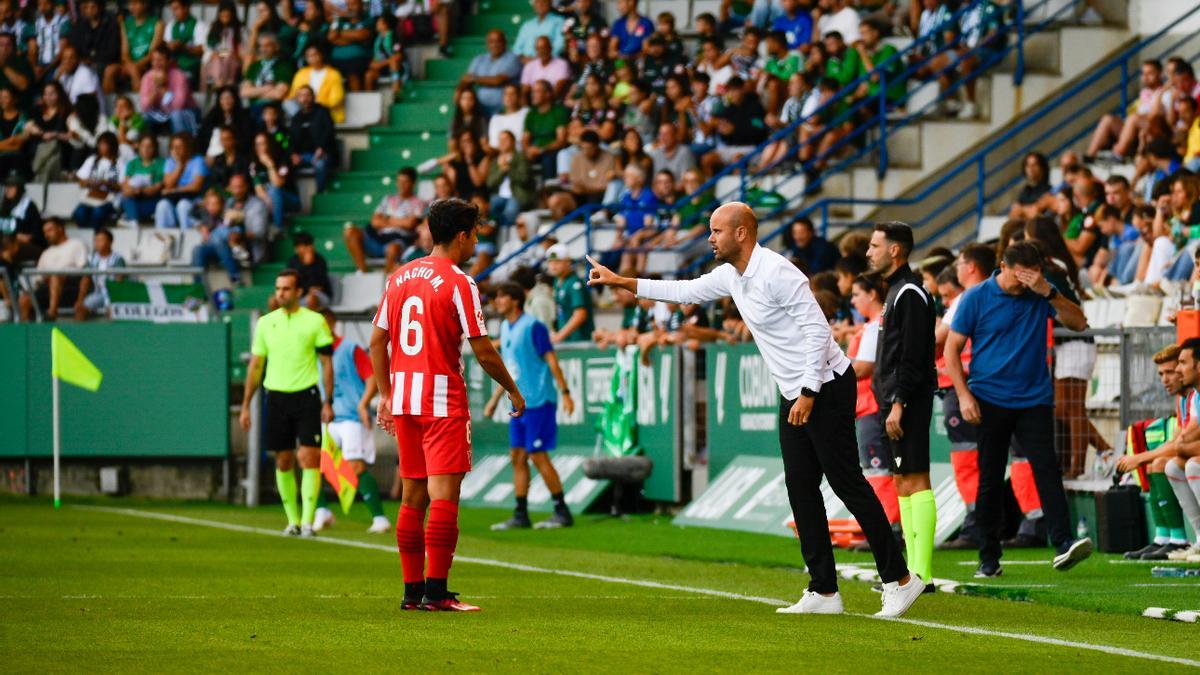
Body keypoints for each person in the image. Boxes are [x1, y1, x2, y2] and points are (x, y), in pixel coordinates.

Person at [586, 202, 923, 617]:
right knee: (800, 487)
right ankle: (824, 591)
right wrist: (622, 281)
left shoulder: (778, 272)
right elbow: (685, 291)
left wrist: (808, 392)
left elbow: (819, 333)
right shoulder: (730, 274)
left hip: (825, 385)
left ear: (742, 232)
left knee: (846, 483)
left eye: (716, 231)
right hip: (797, 391)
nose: (710, 238)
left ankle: (900, 580)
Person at [369, 197, 526, 612]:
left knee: (411, 497)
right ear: (462, 235)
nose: (476, 242)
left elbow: (376, 341)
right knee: (443, 497)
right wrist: (511, 388)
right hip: (440, 399)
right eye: (475, 234)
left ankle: (411, 592)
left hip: (403, 397)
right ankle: (437, 593)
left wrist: (386, 394)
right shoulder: (460, 282)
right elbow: (483, 350)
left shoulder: (400, 276)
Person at [944, 240, 1094, 577]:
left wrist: (1050, 293)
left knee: (1047, 469)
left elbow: (1079, 323)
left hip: (1034, 399)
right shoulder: (977, 297)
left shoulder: (1041, 295)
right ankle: (988, 557)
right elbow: (952, 349)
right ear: (1005, 267)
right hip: (989, 399)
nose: (1026, 281)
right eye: (1021, 275)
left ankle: (1064, 543)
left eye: (1034, 274)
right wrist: (964, 396)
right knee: (990, 479)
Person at [865, 222, 937, 591]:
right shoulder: (896, 291)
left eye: (875, 245)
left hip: (906, 401)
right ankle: (912, 572)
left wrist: (899, 402)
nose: (869, 252)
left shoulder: (909, 292)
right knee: (901, 481)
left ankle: (921, 574)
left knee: (915, 477)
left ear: (895, 250)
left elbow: (911, 355)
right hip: (894, 400)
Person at [240, 269, 335, 537]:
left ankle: (307, 521)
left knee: (309, 457)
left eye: (286, 288)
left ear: (299, 292)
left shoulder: (315, 322)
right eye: (278, 288)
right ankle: (292, 521)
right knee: (283, 460)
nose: (280, 293)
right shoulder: (265, 323)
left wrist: (328, 401)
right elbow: (256, 365)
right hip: (276, 397)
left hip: (306, 396)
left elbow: (327, 364)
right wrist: (246, 404)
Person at [484, 282, 577, 530]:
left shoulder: (533, 326)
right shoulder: (505, 327)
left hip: (538, 400)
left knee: (537, 454)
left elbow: (552, 360)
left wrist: (566, 392)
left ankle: (561, 510)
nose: (497, 301)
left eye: (501, 296)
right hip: (519, 402)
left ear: (514, 300)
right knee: (517, 455)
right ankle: (521, 513)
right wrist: (494, 400)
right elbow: (510, 370)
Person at [1117, 338, 1200, 563]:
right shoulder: (1184, 400)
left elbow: (1180, 442)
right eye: (1161, 374)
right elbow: (1179, 441)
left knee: (1169, 463)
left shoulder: (1193, 396)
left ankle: (1180, 538)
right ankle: (1166, 537)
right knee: (1163, 463)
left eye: (1172, 371)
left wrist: (1139, 457)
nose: (1168, 379)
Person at [311, 307, 391, 535]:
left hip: (351, 417)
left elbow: (371, 377)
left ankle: (379, 518)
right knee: (313, 463)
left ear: (331, 323)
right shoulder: (314, 352)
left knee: (355, 466)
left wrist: (363, 403)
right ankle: (322, 511)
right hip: (327, 417)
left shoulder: (349, 348)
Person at [937, 243, 992, 550]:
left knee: (968, 456)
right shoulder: (993, 295)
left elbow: (939, 341)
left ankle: (975, 527)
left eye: (959, 263)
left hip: (964, 386)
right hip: (987, 383)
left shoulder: (966, 299)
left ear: (970, 267)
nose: (956, 268)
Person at [847, 272, 900, 529]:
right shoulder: (874, 325)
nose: (853, 301)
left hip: (873, 407)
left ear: (872, 294)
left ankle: (889, 527)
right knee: (880, 469)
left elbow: (863, 368)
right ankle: (889, 526)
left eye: (856, 294)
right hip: (873, 406)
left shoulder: (875, 325)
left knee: (877, 468)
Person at [345, 166, 425, 273]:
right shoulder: (388, 199)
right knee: (350, 232)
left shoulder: (419, 203)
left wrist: (387, 219)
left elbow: (410, 224)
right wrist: (400, 221)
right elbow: (375, 221)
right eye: (399, 181)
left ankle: (387, 283)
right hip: (378, 238)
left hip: (398, 241)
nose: (401, 185)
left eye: (405, 182)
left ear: (413, 183)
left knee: (393, 249)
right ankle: (363, 272)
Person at [18, 217, 87, 321]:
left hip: (70, 288)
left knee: (55, 277)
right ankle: (24, 331)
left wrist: (81, 300)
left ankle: (51, 315)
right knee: (24, 299)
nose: (46, 235)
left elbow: (85, 273)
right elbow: (38, 279)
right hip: (46, 288)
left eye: (50, 230)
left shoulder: (76, 244)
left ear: (60, 229)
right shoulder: (46, 253)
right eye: (45, 232)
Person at [287, 85, 336, 192]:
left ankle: (320, 195)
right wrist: (292, 154)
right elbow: (290, 139)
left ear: (313, 97)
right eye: (301, 96)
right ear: (297, 99)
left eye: (307, 95)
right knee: (285, 164)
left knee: (320, 164)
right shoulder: (296, 118)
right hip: (303, 155)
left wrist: (321, 148)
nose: (304, 99)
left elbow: (329, 132)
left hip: (322, 153)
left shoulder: (323, 112)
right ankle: (294, 196)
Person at [461, 30, 522, 116]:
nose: (494, 45)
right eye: (491, 42)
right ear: (487, 44)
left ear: (505, 43)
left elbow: (497, 81)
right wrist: (459, 91)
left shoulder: (512, 59)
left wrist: (474, 78)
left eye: (498, 41)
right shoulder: (479, 59)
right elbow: (466, 79)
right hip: (480, 108)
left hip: (502, 109)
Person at [155, 131, 207, 229]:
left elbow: (196, 186)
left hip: (194, 200)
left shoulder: (198, 161)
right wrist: (179, 165)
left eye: (179, 147)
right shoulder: (170, 162)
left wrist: (175, 190)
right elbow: (168, 185)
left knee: (183, 205)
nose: (175, 150)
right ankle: (162, 239)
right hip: (174, 200)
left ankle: (187, 237)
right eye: (173, 147)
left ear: (187, 148)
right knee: (162, 205)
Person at [545, 243, 595, 344]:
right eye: (550, 262)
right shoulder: (557, 282)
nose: (553, 265)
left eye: (557, 261)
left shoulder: (574, 284)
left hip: (579, 340)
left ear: (568, 262)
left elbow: (580, 314)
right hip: (567, 340)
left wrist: (559, 336)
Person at [75, 227, 126, 321]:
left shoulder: (118, 258)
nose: (98, 243)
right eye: (96, 240)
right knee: (80, 309)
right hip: (98, 293)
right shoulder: (91, 258)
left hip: (113, 293)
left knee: (113, 311)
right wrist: (80, 300)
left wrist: (115, 299)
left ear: (110, 242)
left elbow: (120, 280)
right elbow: (85, 279)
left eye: (101, 240)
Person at [288, 45, 345, 124]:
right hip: (305, 109)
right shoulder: (301, 74)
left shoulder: (334, 74)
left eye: (315, 55)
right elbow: (294, 94)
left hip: (326, 112)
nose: (312, 58)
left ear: (321, 55)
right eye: (309, 56)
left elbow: (336, 99)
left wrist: (315, 106)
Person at [241, 32, 296, 113]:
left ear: (276, 46)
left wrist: (254, 93)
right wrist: (267, 88)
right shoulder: (254, 66)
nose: (263, 49)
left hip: (275, 108)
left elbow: (279, 94)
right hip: (254, 109)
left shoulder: (285, 66)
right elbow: (244, 92)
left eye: (267, 45)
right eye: (261, 46)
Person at [119, 134, 165, 226]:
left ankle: (131, 218)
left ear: (155, 148)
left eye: (149, 147)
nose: (146, 150)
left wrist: (139, 190)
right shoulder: (132, 163)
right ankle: (133, 221)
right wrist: (133, 190)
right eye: (143, 146)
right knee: (126, 199)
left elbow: (156, 188)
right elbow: (125, 188)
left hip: (151, 201)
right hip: (133, 200)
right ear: (138, 147)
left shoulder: (161, 163)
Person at [282, 231, 332, 309]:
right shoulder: (292, 262)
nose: (310, 247)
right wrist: (305, 265)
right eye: (305, 245)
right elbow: (289, 282)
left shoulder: (320, 260)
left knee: (311, 298)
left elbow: (317, 285)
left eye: (310, 244)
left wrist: (309, 264)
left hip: (320, 295)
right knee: (275, 300)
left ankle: (310, 321)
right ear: (297, 249)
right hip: (297, 294)